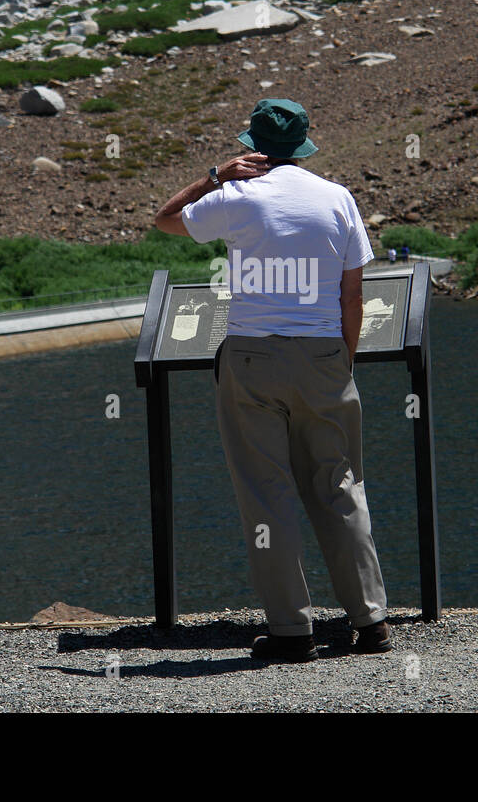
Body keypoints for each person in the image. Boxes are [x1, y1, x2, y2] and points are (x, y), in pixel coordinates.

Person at [154, 98, 391, 662]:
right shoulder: (337, 198)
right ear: (304, 144)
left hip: (253, 360)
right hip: (325, 356)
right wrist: (343, 360)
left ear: (252, 146)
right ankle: (372, 621)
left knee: (268, 492)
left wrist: (212, 175)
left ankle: (291, 630)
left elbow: (164, 220)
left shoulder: (235, 196)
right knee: (339, 485)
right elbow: (352, 293)